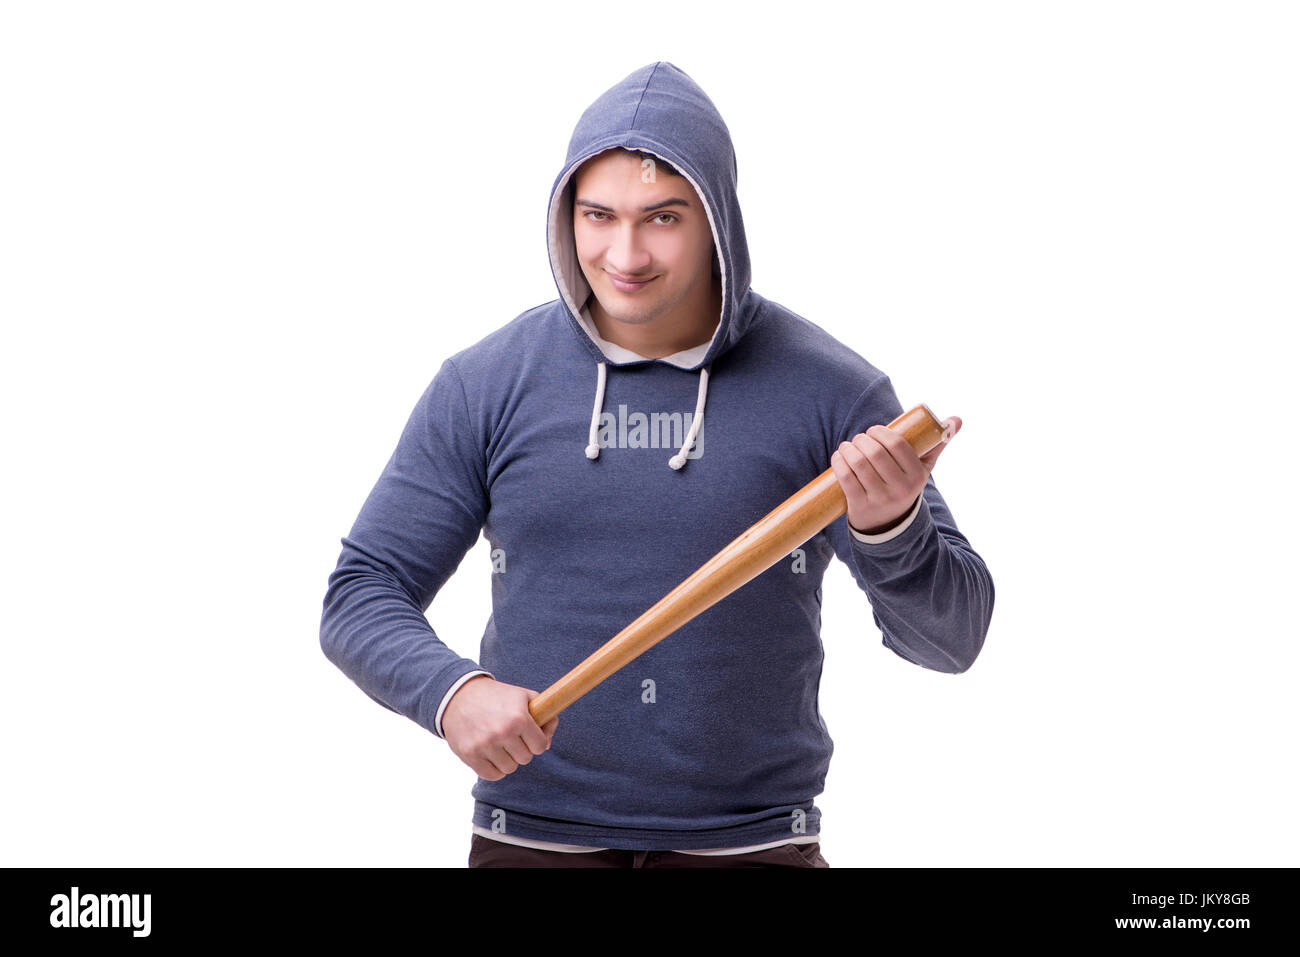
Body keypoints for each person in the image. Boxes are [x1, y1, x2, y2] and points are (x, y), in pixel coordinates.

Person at [319, 61, 995, 868]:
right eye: (598, 214)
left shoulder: (833, 391)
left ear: (717, 221)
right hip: (528, 840)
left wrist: (892, 529)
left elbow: (952, 641)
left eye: (663, 217)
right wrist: (450, 692)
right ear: (566, 215)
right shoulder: (485, 383)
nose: (625, 253)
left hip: (758, 847)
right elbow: (361, 593)